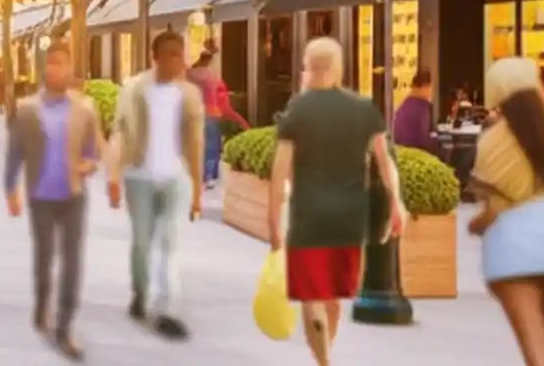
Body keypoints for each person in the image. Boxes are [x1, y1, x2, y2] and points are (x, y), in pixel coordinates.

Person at [267, 37, 405, 366]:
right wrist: (397, 203)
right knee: (332, 297)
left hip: (308, 218)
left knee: (311, 296)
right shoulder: (362, 108)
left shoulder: (297, 110)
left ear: (308, 68)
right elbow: (386, 163)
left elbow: (279, 172)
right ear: (339, 69)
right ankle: (327, 352)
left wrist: (273, 221)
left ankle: (323, 360)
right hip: (348, 218)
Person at [4, 40, 102, 361]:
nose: (55, 69)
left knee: (72, 262)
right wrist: (10, 188)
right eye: (50, 63)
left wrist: (86, 166)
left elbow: (93, 153)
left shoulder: (84, 108)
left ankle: (64, 328)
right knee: (44, 259)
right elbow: (15, 151)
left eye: (61, 63)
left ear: (70, 68)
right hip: (40, 196)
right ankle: (41, 305)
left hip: (73, 196)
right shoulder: (27, 109)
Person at [105, 31, 204, 341]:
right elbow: (119, 131)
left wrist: (198, 189)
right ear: (156, 57)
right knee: (142, 242)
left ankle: (166, 311)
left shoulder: (189, 94)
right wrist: (114, 174)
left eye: (181, 53)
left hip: (176, 178)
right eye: (172, 53)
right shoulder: (134, 89)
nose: (178, 59)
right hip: (140, 177)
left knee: (170, 243)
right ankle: (140, 292)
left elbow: (196, 143)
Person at [469, 57, 544, 366]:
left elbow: (494, 211)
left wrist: (476, 225)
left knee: (536, 351)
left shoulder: (492, 143)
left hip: (513, 254)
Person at [186, 40, 248, 189]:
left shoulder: (189, 76)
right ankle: (208, 177)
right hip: (211, 114)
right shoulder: (212, 78)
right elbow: (223, 104)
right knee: (212, 147)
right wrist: (243, 123)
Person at [394, 69, 438, 154]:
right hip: (417, 155)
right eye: (430, 86)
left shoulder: (404, 105)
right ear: (425, 87)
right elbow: (423, 139)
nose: (431, 91)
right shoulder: (422, 107)